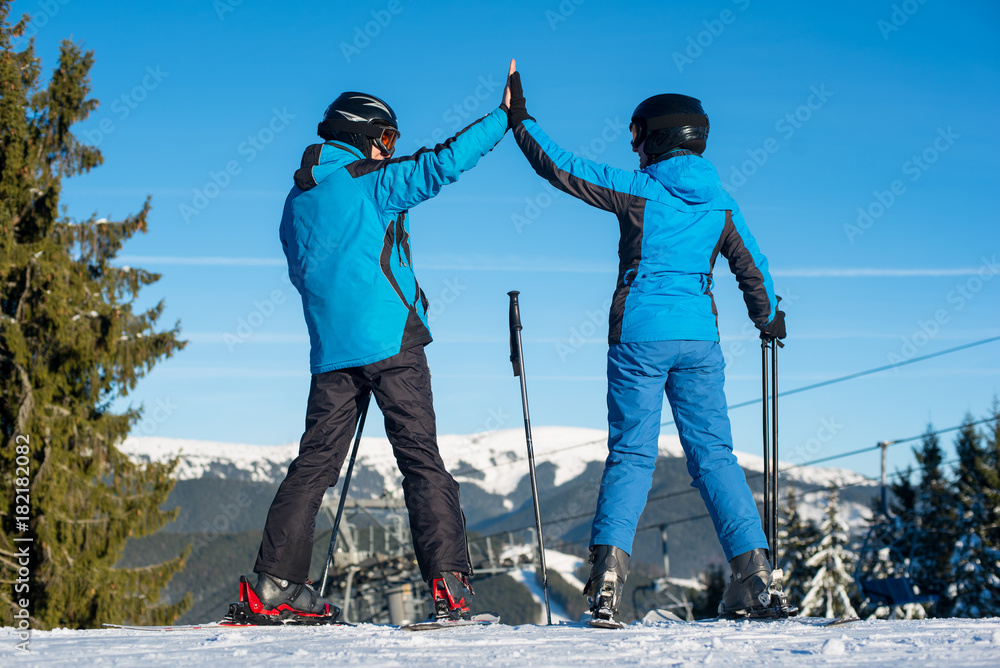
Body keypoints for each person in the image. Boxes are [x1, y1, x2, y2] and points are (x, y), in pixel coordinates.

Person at [505, 72, 788, 624]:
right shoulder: (721, 202)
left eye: (636, 136)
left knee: (633, 452)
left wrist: (520, 119)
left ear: (656, 138)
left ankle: (607, 581)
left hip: (638, 336)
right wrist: (767, 317)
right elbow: (753, 267)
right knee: (715, 457)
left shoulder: (639, 189)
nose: (633, 147)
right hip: (700, 342)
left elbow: (560, 168)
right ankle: (754, 579)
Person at [250, 64, 515, 623]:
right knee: (420, 460)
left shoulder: (295, 203)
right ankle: (449, 587)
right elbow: (442, 163)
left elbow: (302, 274)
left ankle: (275, 585)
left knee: (315, 464)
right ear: (359, 133)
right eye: (386, 138)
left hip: (330, 350)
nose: (390, 149)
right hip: (392, 342)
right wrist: (504, 117)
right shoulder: (373, 183)